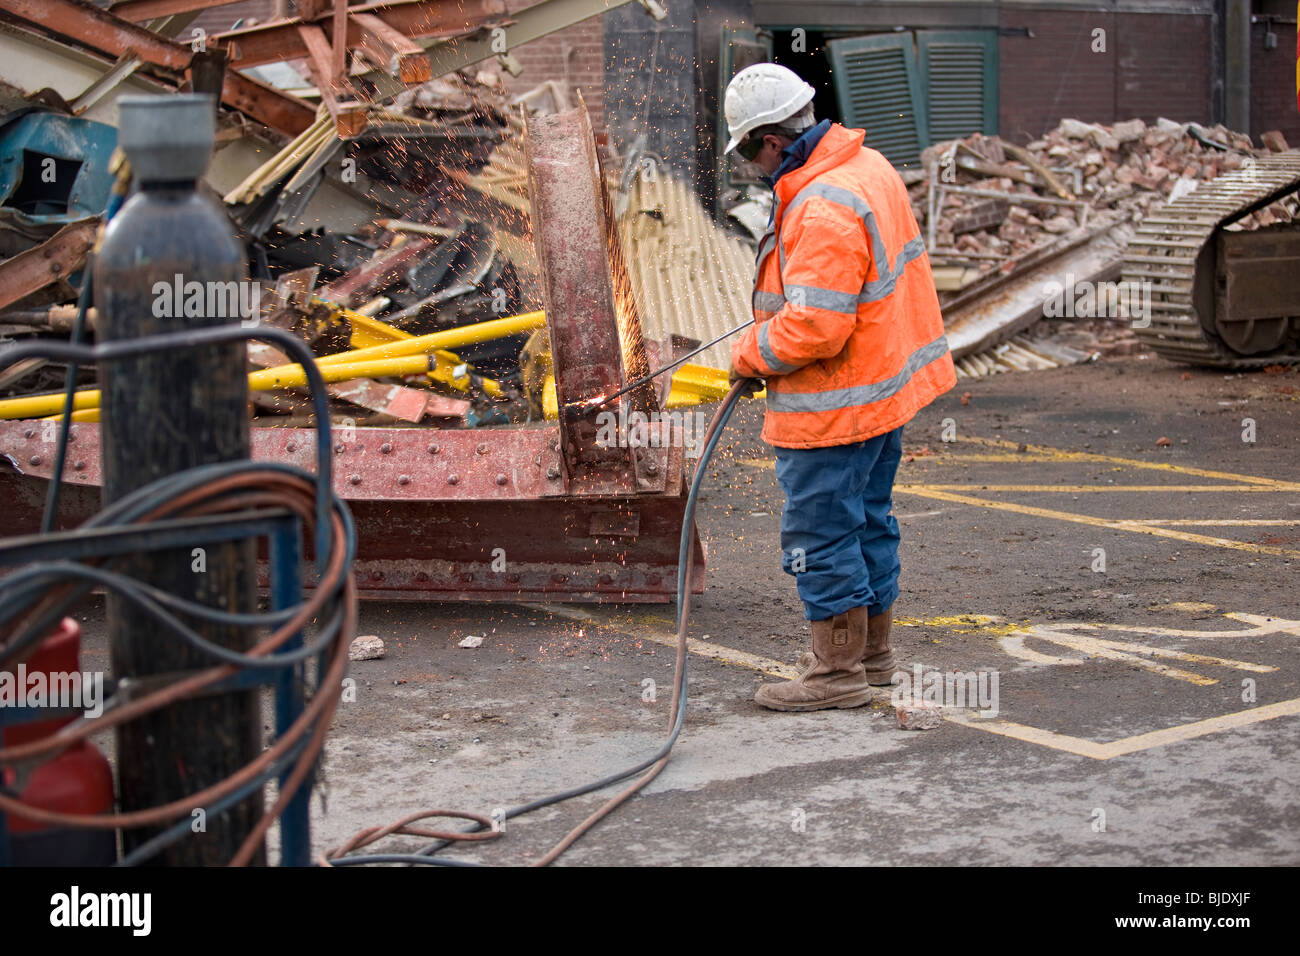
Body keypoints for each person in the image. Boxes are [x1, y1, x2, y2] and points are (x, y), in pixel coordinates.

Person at [724, 63, 957, 712]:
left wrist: (748, 354)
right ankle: (873, 659)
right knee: (869, 523)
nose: (747, 163)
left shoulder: (822, 204)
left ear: (771, 140)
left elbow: (816, 328)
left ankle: (836, 674)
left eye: (746, 148)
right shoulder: (868, 169)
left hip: (836, 408)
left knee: (819, 537)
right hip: (882, 396)